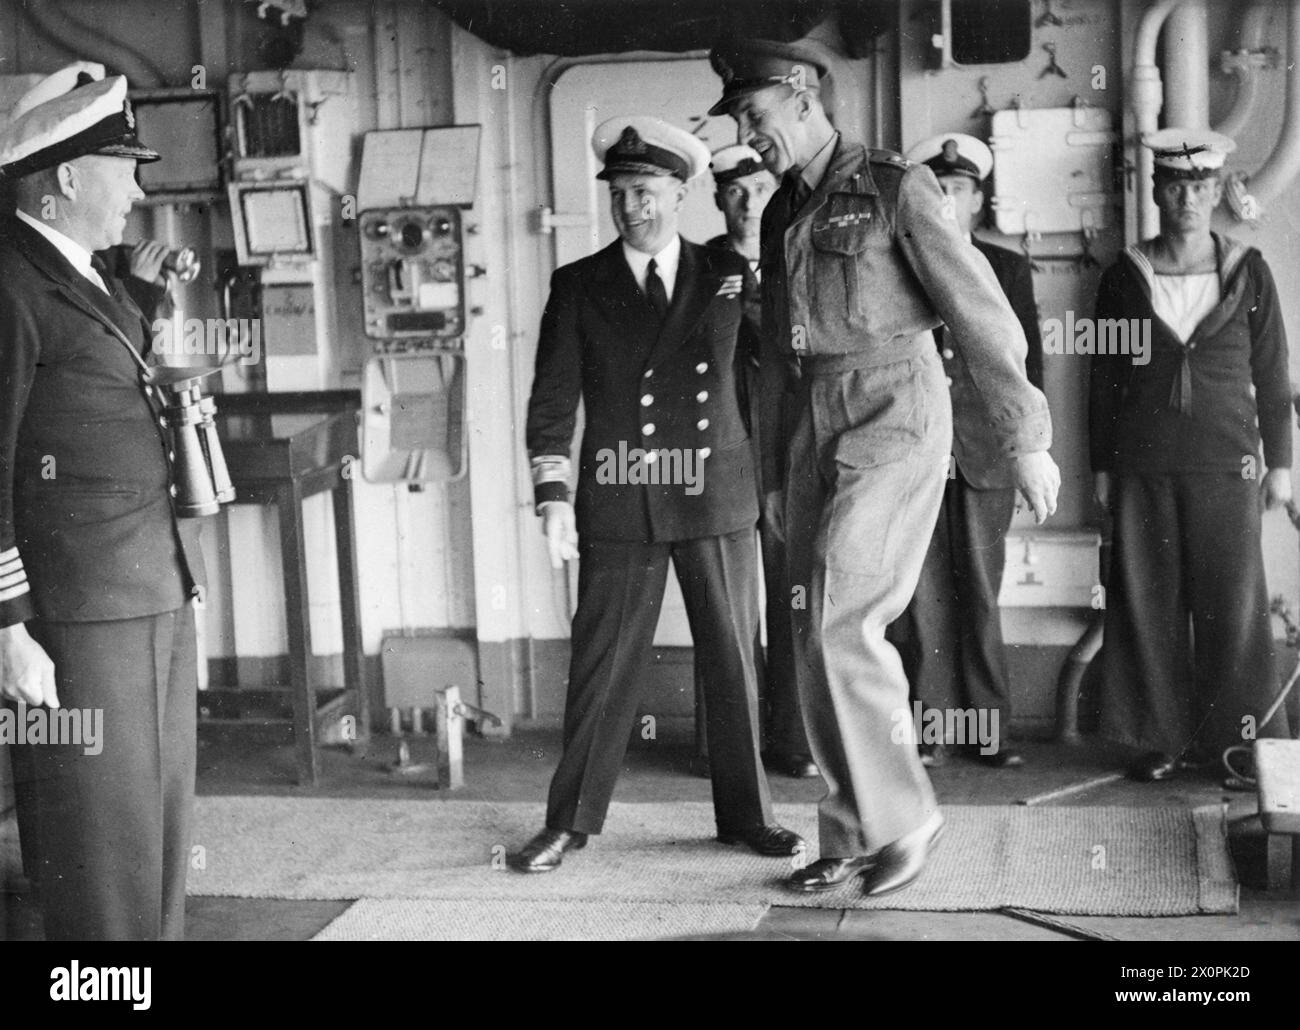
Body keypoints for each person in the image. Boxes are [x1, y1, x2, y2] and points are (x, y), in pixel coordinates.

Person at [709, 39, 1059, 896]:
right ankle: (854, 827)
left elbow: (978, 311)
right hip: (811, 421)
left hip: (894, 411)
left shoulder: (899, 186)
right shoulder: (788, 208)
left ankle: (905, 816)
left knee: (841, 615)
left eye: (756, 116)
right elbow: (785, 345)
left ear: (801, 98)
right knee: (810, 628)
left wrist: (1026, 437)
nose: (750, 136)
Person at [509, 116, 803, 872]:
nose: (631, 207)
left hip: (715, 491)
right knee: (601, 665)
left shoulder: (729, 275)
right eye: (620, 193)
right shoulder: (578, 284)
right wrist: (552, 496)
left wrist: (778, 480)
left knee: (736, 661)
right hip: (621, 495)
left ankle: (749, 818)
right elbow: (552, 403)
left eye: (645, 191)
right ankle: (569, 822)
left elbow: (779, 376)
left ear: (681, 191)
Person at [0, 64, 205, 939]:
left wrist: (147, 285)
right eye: (125, 166)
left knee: (153, 836)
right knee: (95, 851)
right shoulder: (10, 289)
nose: (137, 187)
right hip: (74, 617)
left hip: (151, 592)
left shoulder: (80, 275)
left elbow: (106, 356)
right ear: (69, 179)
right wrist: (8, 627)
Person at [1090, 128, 1292, 782]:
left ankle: (1238, 748)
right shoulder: (1126, 276)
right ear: (1157, 191)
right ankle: (1160, 741)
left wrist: (1281, 468)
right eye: (1175, 186)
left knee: (1232, 606)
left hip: (1227, 463)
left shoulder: (1248, 270)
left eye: (1200, 187)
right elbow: (1104, 380)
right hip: (1143, 464)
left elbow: (1271, 369)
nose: (1187, 199)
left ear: (1215, 193)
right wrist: (1102, 469)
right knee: (1148, 600)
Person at [889, 133, 1045, 770]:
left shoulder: (1006, 269)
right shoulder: (901, 261)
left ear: (980, 200)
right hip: (916, 451)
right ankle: (929, 729)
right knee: (919, 595)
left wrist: (1028, 448)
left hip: (982, 455)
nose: (949, 201)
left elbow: (1024, 365)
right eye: (940, 190)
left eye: (960, 190)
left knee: (980, 590)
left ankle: (987, 732)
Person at [702, 143, 817, 780]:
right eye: (735, 192)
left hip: (790, 450)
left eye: (761, 191)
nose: (749, 205)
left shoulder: (798, 259)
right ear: (718, 199)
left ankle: (794, 741)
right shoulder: (698, 268)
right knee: (727, 604)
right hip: (723, 454)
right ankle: (732, 745)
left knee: (792, 595)